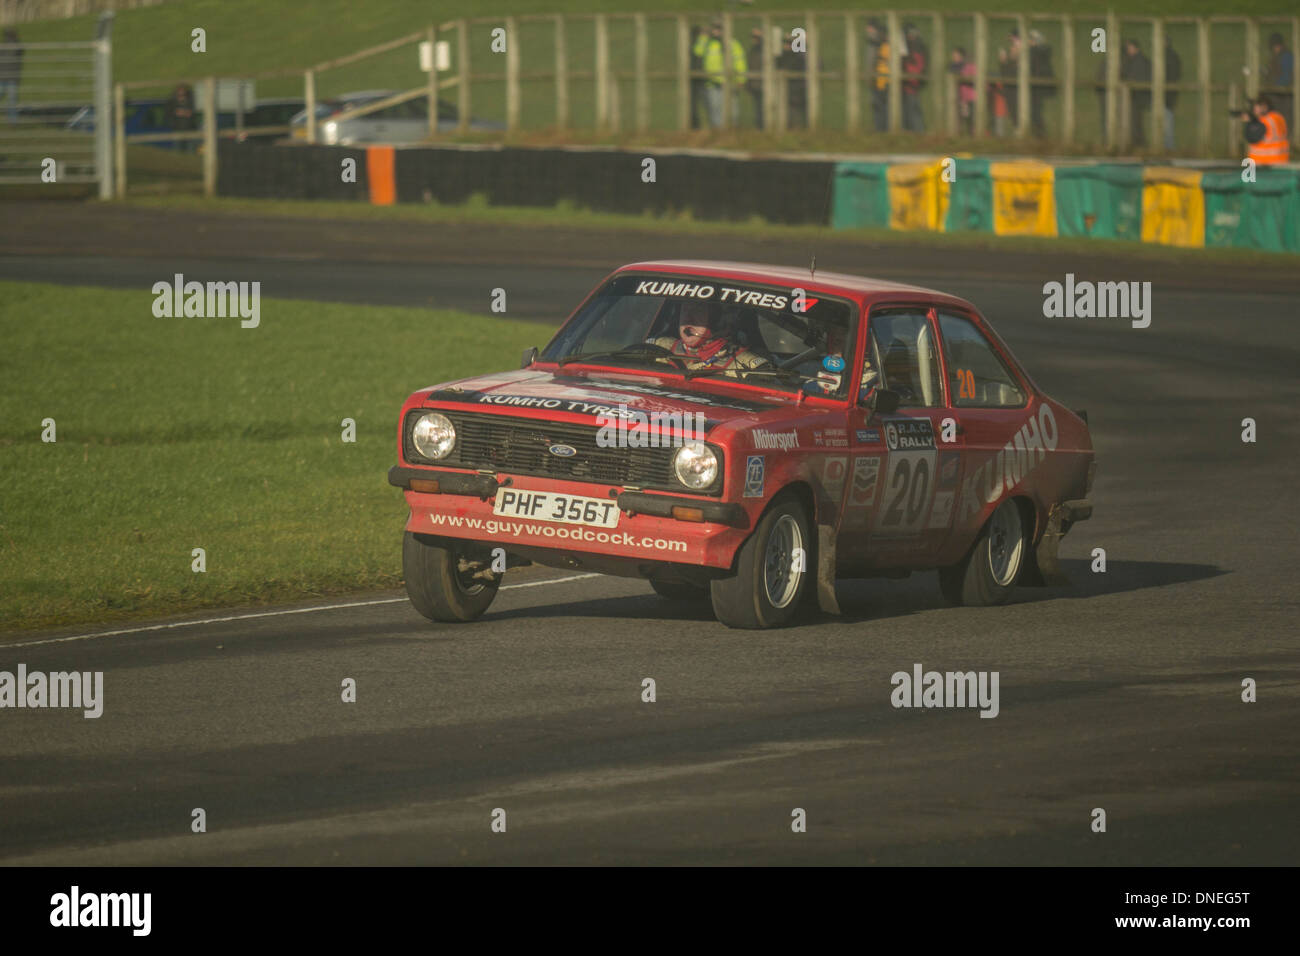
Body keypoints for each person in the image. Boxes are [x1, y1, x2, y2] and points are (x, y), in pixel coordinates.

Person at [649, 301, 770, 375]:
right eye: (685, 309)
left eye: (698, 311)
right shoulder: (657, 348)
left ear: (719, 320)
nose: (688, 318)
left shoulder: (748, 366)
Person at [700, 20, 747, 129]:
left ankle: (732, 131)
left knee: (733, 111)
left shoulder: (733, 44)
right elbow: (697, 51)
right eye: (714, 29)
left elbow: (740, 62)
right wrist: (703, 37)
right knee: (714, 109)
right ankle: (718, 133)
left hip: (730, 82)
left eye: (719, 29)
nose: (716, 31)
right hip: (712, 83)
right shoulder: (708, 43)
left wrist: (741, 79)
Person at [1241, 94, 1290, 165]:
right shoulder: (1277, 117)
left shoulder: (1264, 121)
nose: (1254, 111)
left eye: (1255, 108)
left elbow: (1252, 137)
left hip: (1264, 162)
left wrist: (1249, 123)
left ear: (1264, 107)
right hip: (1280, 161)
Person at [1121, 38, 1151, 148]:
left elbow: (1139, 78)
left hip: (1138, 96)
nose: (1128, 50)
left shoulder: (1140, 61)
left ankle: (1139, 144)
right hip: (1136, 96)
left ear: (1135, 47)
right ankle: (1138, 144)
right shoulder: (1134, 60)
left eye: (1129, 48)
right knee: (1135, 121)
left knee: (1136, 121)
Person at [776, 33, 807, 128]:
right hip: (789, 91)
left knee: (795, 115)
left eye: (788, 43)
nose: (785, 45)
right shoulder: (785, 56)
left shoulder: (797, 57)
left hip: (796, 91)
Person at [1027, 28, 1054, 137]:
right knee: (1034, 112)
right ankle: (1038, 133)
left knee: (1036, 112)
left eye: (1031, 40)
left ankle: (1040, 134)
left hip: (1038, 88)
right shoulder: (1037, 52)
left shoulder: (1037, 52)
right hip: (1035, 87)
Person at [901, 22, 927, 133]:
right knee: (908, 108)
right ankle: (911, 130)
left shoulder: (917, 47)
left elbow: (917, 66)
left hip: (912, 83)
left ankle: (918, 131)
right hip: (908, 82)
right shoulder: (911, 47)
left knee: (913, 108)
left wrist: (911, 77)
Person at [864, 18, 889, 132]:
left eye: (869, 27)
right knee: (879, 104)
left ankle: (881, 129)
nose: (867, 29)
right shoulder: (875, 41)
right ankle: (880, 127)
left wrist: (870, 75)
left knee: (880, 104)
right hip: (878, 77)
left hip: (880, 78)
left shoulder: (876, 41)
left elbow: (873, 61)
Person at [1263, 32, 1294, 120]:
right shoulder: (1277, 57)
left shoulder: (1286, 56)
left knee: (1284, 117)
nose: (1275, 49)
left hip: (1285, 94)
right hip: (1277, 93)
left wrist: (1274, 85)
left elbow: (1287, 77)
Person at [950, 47, 976, 136]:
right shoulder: (966, 67)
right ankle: (965, 133)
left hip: (971, 98)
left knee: (971, 118)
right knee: (965, 117)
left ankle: (971, 133)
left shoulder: (972, 68)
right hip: (965, 98)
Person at [0, 28, 22, 124]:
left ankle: (13, 121)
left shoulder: (16, 47)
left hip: (8, 77)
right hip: (7, 77)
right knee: (12, 100)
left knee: (12, 100)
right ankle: (13, 121)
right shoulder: (5, 47)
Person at [1163, 39, 1181, 151]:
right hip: (1167, 95)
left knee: (1167, 120)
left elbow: (1173, 76)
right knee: (1166, 120)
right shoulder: (1168, 56)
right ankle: (1167, 147)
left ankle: (1169, 148)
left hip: (1168, 95)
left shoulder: (1169, 57)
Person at [167, 82, 197, 151]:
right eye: (179, 92)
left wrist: (181, 112)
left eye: (183, 92)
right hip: (177, 129)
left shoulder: (190, 101)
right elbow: (171, 113)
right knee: (178, 150)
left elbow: (190, 113)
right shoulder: (172, 102)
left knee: (191, 149)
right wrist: (181, 112)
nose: (181, 95)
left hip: (190, 129)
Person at [689, 25, 707, 130]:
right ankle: (696, 126)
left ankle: (697, 126)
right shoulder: (700, 42)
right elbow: (698, 52)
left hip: (704, 77)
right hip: (699, 77)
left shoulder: (698, 42)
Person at [746, 28, 764, 128]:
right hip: (755, 84)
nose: (754, 39)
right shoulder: (753, 50)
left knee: (763, 109)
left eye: (757, 37)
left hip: (763, 84)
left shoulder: (763, 49)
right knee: (758, 109)